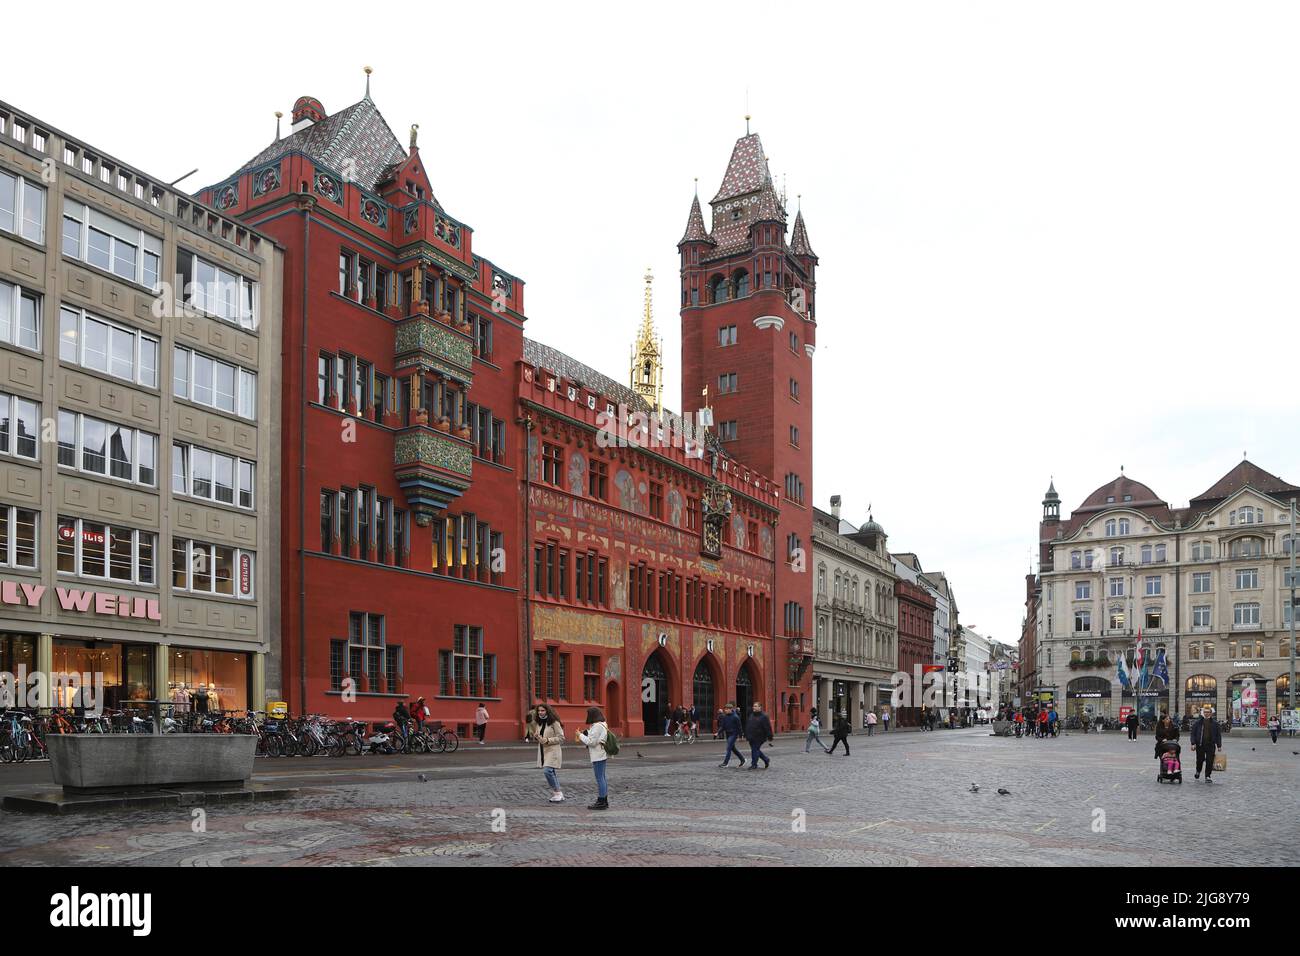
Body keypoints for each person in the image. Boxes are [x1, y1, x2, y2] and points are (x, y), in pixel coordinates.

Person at [577, 706, 610, 810]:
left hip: (598, 755)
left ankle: (601, 801)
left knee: (600, 778)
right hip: (601, 753)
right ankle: (604, 800)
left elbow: (591, 742)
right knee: (602, 777)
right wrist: (587, 732)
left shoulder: (597, 726)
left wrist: (580, 735)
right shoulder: (602, 724)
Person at [532, 703, 565, 801]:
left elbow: (561, 738)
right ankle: (558, 793)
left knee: (547, 771)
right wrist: (537, 737)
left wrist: (547, 740)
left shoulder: (554, 722)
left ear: (547, 711)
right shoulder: (539, 723)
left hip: (553, 750)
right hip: (543, 750)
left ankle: (557, 793)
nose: (540, 713)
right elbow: (541, 736)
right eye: (539, 711)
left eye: (542, 710)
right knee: (551, 772)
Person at [1190, 706, 1222, 782]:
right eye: (1205, 712)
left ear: (1211, 713)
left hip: (1210, 744)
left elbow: (1218, 735)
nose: (1206, 714)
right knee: (1200, 759)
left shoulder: (1215, 723)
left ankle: (1208, 776)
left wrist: (1219, 745)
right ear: (1203, 713)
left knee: (1209, 760)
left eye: (1208, 712)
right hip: (1200, 744)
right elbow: (1193, 733)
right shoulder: (1198, 722)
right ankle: (1198, 771)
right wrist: (1193, 743)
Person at [744, 702, 773, 770]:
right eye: (753, 706)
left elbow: (767, 727)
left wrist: (770, 736)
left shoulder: (764, 716)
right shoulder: (751, 715)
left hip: (760, 737)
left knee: (754, 749)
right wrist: (745, 734)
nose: (754, 707)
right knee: (755, 750)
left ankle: (754, 764)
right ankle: (766, 759)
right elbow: (748, 725)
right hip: (751, 736)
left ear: (760, 707)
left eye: (756, 706)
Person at [718, 703, 746, 768]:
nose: (725, 710)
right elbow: (723, 726)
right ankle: (742, 760)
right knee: (733, 749)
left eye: (727, 709)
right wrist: (718, 732)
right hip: (728, 734)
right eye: (725, 709)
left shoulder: (736, 717)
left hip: (734, 734)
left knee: (728, 748)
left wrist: (741, 736)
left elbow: (739, 727)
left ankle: (725, 763)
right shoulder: (725, 717)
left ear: (731, 709)